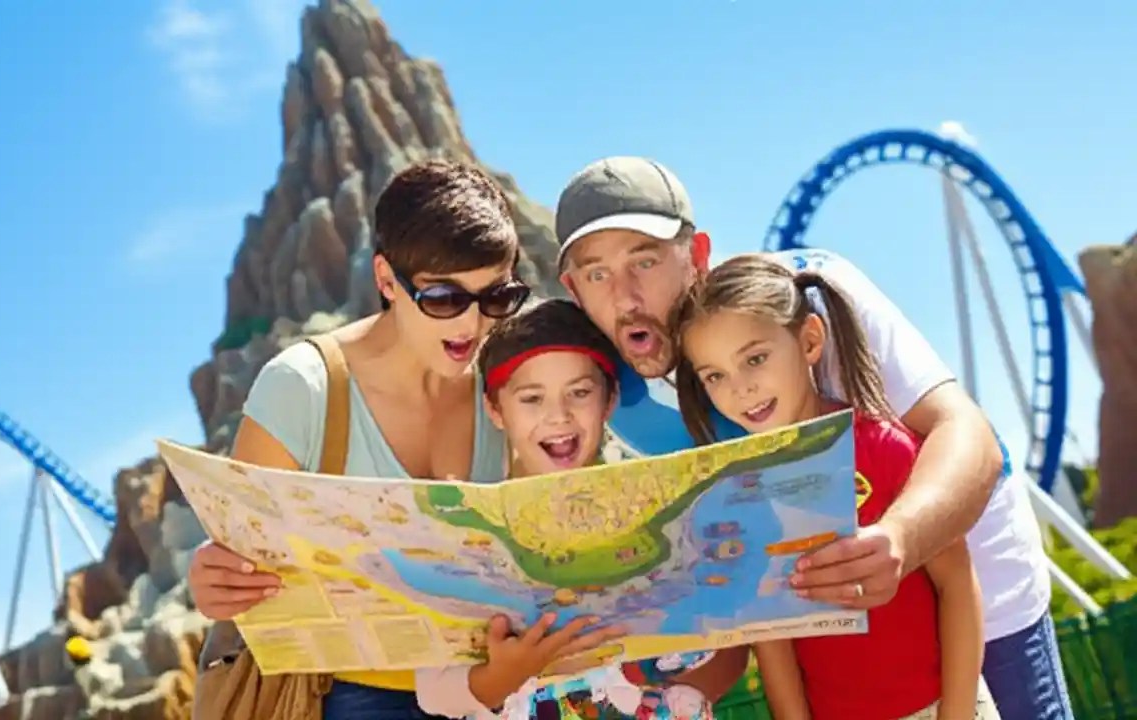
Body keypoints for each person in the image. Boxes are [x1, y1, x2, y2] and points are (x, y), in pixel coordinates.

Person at [552, 156, 1071, 719]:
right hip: (847, 675)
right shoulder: (617, 399)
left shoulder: (804, 297)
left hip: (984, 607)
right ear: (574, 290)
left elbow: (968, 436)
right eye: (597, 274)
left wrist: (899, 538)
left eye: (644, 261)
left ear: (697, 255)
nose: (625, 296)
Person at [185, 159, 620, 720]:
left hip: (484, 691)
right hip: (334, 696)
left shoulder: (507, 385)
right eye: (443, 299)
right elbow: (241, 563)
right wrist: (213, 573)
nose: (469, 325)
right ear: (387, 280)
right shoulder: (303, 387)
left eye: (494, 298)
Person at [672, 253, 998, 719]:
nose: (740, 389)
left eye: (756, 359)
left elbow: (958, 585)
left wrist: (958, 712)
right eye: (715, 376)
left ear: (808, 341)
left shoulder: (885, 447)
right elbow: (774, 641)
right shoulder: (741, 495)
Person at [415, 297, 718, 719]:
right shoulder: (465, 533)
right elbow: (432, 694)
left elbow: (720, 649)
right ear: (495, 409)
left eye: (578, 393)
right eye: (532, 398)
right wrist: (507, 675)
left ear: (610, 399)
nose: (558, 416)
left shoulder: (664, 514)